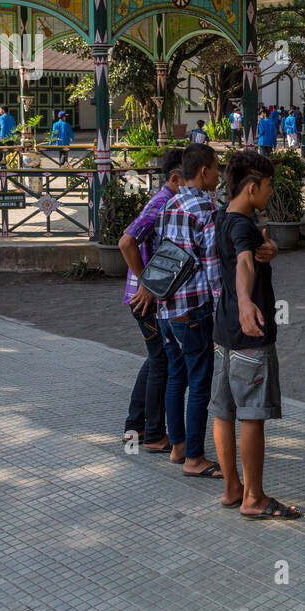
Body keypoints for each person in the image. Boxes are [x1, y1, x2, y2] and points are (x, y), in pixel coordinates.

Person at [212, 150, 300, 519]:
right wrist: (247, 301)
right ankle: (254, 498)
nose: (270, 192)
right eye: (267, 186)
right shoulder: (244, 227)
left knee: (224, 410)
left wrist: (272, 249)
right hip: (249, 332)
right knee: (251, 414)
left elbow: (249, 256)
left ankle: (233, 488)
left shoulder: (224, 219)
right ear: (251, 187)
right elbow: (245, 264)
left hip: (224, 332)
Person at [154, 143, 223, 479]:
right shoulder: (207, 208)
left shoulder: (172, 202)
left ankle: (178, 446)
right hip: (193, 307)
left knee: (175, 376)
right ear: (204, 171)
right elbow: (211, 266)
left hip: (165, 304)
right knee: (199, 383)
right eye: (216, 168)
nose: (218, 174)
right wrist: (225, 304)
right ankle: (195, 458)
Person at [117, 147, 184, 454]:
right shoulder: (162, 203)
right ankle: (154, 434)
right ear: (176, 178)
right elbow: (126, 241)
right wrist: (147, 282)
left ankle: (137, 426)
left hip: (147, 296)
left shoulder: (168, 200)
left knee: (156, 358)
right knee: (162, 361)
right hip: (145, 299)